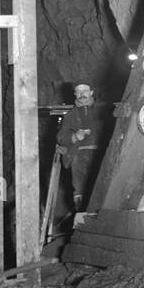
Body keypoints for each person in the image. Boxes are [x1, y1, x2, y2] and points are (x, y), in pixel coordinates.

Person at [56, 82, 102, 210]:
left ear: (91, 92)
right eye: (79, 92)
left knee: (102, 188)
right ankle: (81, 217)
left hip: (100, 156)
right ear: (75, 94)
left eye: (85, 91)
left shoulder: (103, 111)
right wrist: (74, 137)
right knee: (80, 192)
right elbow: (60, 137)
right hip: (79, 157)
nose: (82, 94)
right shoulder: (70, 115)